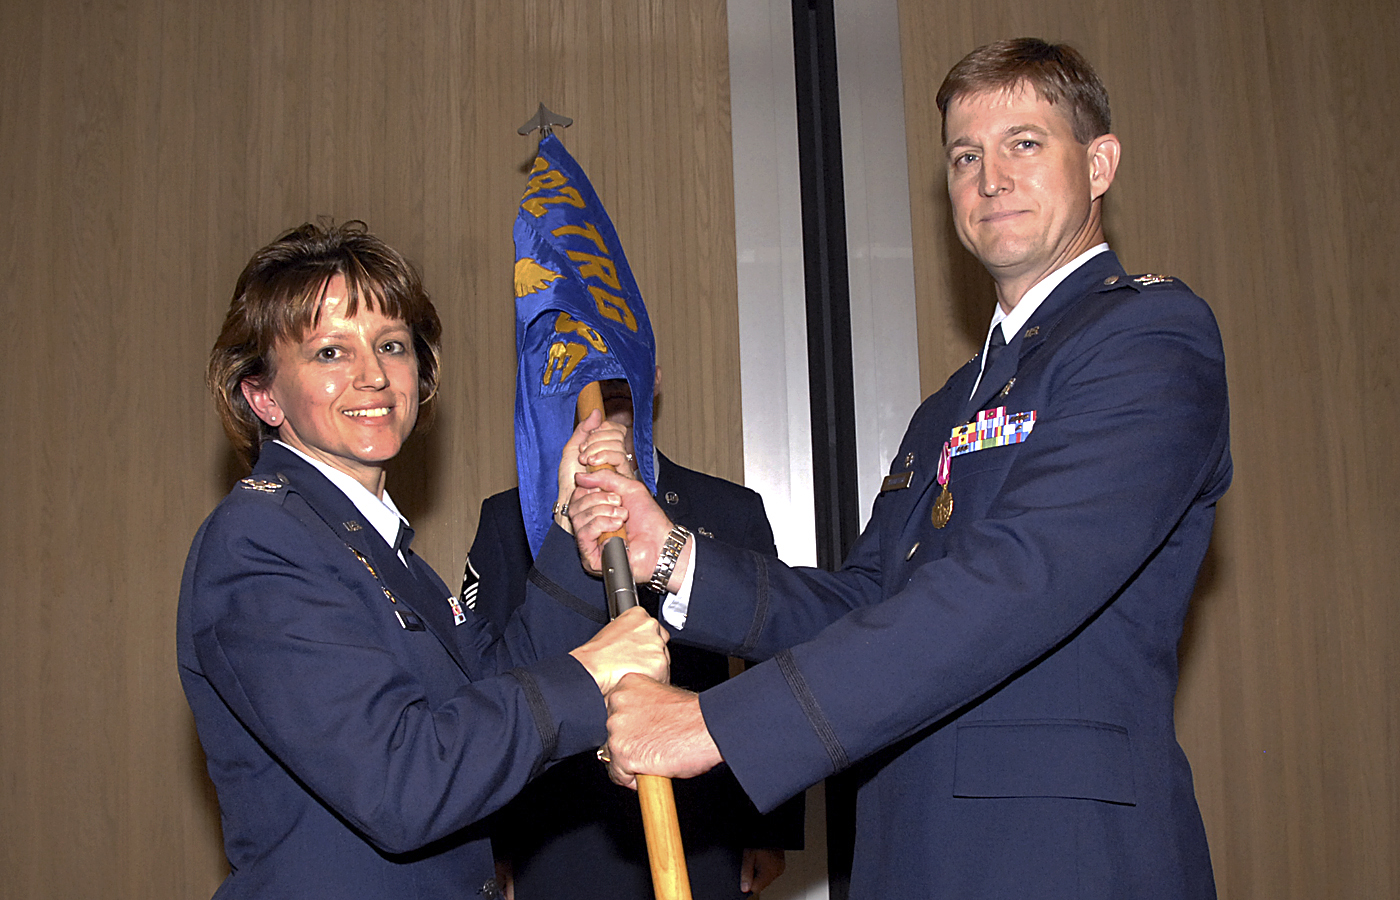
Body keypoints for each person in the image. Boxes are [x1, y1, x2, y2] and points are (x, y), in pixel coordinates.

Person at [551, 38, 1232, 899]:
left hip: (1060, 857)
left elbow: (1014, 583)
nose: (991, 179)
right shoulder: (949, 405)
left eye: (1024, 143)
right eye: (965, 156)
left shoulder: (1149, 339)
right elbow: (865, 606)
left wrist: (718, 726)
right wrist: (672, 555)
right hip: (907, 853)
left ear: (1099, 165)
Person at [176, 221, 669, 900]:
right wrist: (590, 674)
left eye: (391, 345)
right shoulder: (259, 541)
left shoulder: (372, 545)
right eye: (329, 352)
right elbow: (401, 785)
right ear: (263, 395)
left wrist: (569, 528)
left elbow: (495, 682)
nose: (373, 375)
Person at [466, 374, 801, 899]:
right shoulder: (510, 517)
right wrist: (497, 844)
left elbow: (776, 665)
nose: (605, 372)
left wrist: (770, 827)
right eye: (585, 356)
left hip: (700, 820)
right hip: (557, 824)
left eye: (619, 352)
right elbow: (488, 678)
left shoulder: (729, 509)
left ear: (654, 375)